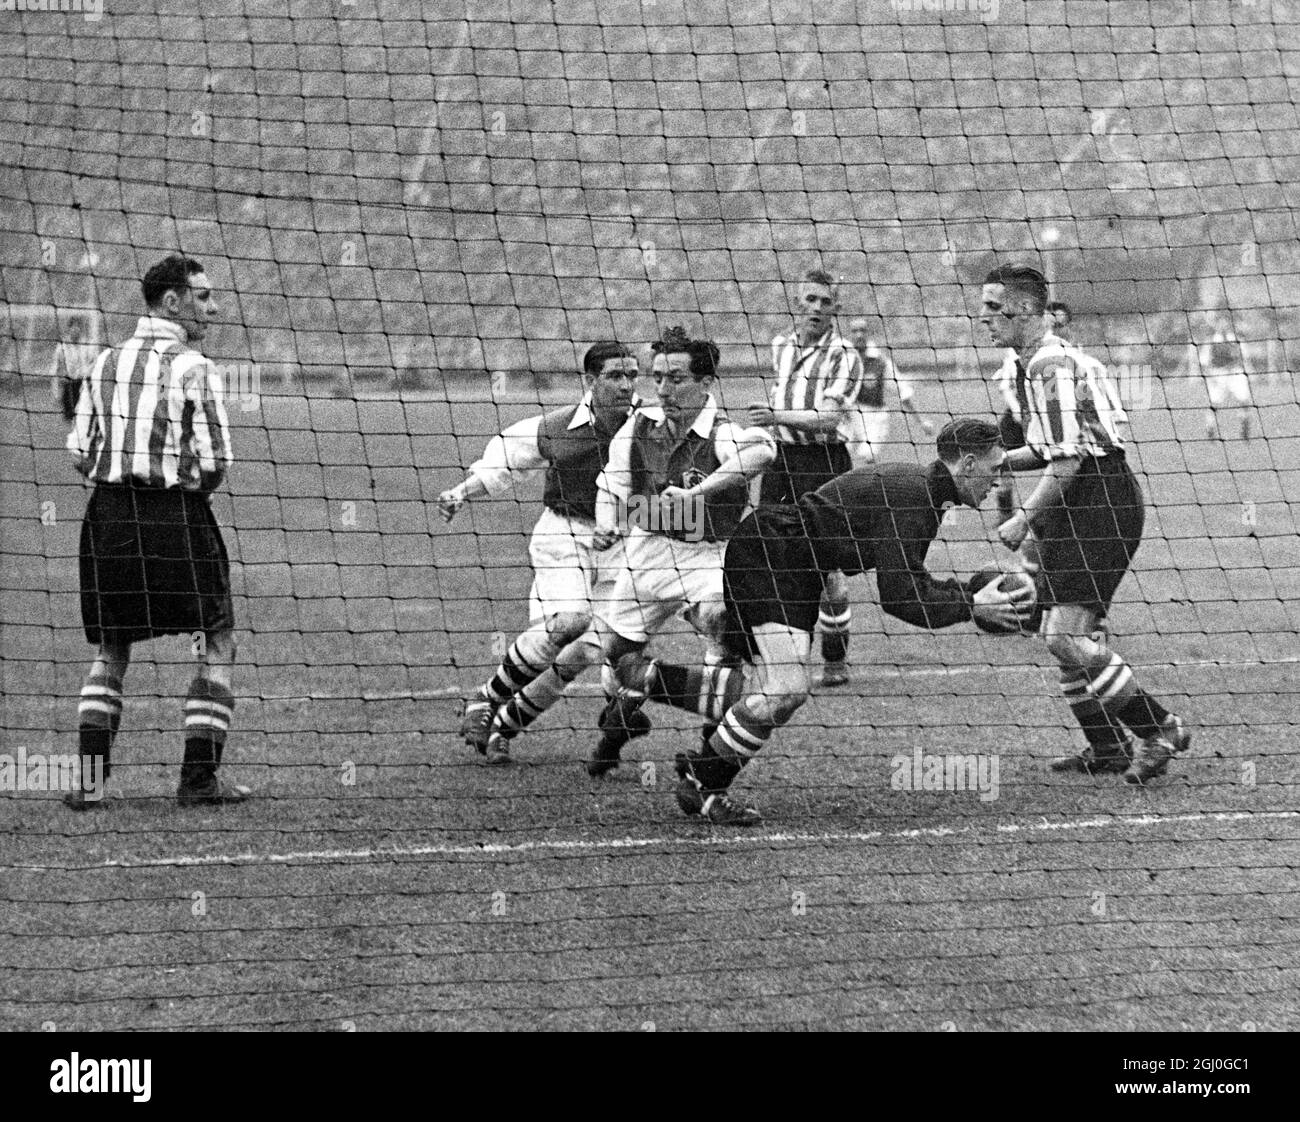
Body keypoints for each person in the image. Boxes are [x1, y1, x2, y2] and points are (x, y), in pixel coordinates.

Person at [613, 419, 1031, 825]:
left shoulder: (921, 490)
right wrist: (971, 602)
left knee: (764, 689)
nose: (997, 482)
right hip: (771, 556)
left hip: (785, 562)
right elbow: (901, 597)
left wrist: (969, 596)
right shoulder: (915, 497)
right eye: (994, 470)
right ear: (969, 464)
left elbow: (907, 581)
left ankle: (650, 682)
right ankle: (701, 782)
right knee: (785, 690)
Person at [979, 264, 1190, 784]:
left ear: (1023, 309)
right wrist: (995, 463)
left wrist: (1023, 519)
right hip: (1086, 497)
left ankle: (1161, 728)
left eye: (992, 306)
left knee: (1064, 637)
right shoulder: (1030, 363)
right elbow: (1051, 449)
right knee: (1067, 637)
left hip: (1098, 500)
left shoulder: (1049, 364)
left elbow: (1070, 462)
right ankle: (1108, 747)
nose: (983, 316)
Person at [65, 254, 245, 809]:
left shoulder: (100, 365)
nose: (212, 307)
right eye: (203, 296)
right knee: (214, 642)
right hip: (175, 517)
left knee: (112, 647)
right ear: (173, 302)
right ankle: (198, 782)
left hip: (109, 518)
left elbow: (78, 453)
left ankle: (90, 785)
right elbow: (216, 461)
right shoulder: (196, 368)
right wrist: (184, 492)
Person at [438, 342, 641, 765]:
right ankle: (484, 699)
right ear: (591, 381)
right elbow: (506, 462)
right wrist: (461, 491)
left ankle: (502, 725)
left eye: (632, 376)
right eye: (615, 376)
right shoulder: (558, 426)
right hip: (563, 534)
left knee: (590, 649)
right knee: (568, 623)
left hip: (620, 544)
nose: (626, 385)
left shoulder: (647, 425)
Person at [588, 326, 776, 777]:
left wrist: (699, 493)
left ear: (706, 383)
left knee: (719, 620)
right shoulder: (638, 427)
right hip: (647, 553)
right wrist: (608, 524)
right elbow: (610, 488)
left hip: (706, 557)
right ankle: (619, 727)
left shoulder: (724, 433)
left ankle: (710, 756)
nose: (664, 389)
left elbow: (764, 451)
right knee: (616, 660)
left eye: (677, 379)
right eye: (658, 379)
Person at [749, 269, 862, 688]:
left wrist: (775, 416)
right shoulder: (781, 345)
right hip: (781, 463)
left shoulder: (845, 355)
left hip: (823, 463)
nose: (816, 308)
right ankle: (783, 657)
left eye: (825, 302)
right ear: (799, 300)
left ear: (836, 308)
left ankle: (834, 661)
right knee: (772, 554)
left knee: (827, 568)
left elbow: (831, 419)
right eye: (810, 299)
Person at [845, 315, 935, 465]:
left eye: (863, 330)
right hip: (849, 413)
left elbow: (903, 392)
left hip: (874, 416)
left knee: (867, 455)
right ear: (849, 333)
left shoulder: (881, 362)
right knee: (839, 453)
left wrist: (921, 421)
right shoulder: (843, 358)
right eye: (855, 331)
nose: (859, 334)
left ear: (869, 333)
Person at [1195, 308, 1254, 441]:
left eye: (1225, 322)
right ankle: (1210, 429)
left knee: (1244, 400)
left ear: (1229, 323)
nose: (1223, 324)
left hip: (1234, 373)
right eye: (1220, 322)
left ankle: (1244, 429)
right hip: (1218, 374)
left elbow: (1244, 357)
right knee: (1214, 404)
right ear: (1216, 324)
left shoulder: (1236, 339)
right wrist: (1211, 377)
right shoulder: (1211, 341)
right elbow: (1204, 363)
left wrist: (1245, 370)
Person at [50, 312, 100, 422]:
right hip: (69, 386)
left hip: (84, 384)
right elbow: (55, 370)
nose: (75, 329)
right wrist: (55, 391)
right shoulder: (62, 347)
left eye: (78, 327)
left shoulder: (89, 345)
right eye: (73, 326)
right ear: (69, 328)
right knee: (70, 420)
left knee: (85, 418)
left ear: (81, 329)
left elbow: (95, 365)